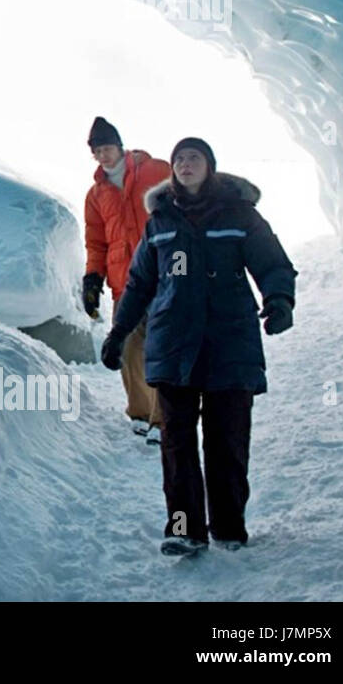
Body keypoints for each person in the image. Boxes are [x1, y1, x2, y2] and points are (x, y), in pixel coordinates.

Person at [100, 138, 296, 556]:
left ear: (210, 166)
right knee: (177, 443)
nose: (185, 165)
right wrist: (119, 333)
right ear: (172, 170)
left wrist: (279, 300)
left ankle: (228, 527)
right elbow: (139, 284)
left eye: (194, 158)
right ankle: (185, 529)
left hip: (230, 341)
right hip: (173, 343)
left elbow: (272, 262)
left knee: (227, 440)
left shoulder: (239, 214)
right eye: (179, 159)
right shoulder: (161, 221)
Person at [81, 117, 171, 442]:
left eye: (106, 148)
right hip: (124, 281)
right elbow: (96, 242)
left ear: (119, 145)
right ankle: (140, 413)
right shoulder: (96, 195)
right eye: (97, 152)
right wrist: (93, 278)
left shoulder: (157, 170)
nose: (103, 156)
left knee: (162, 343)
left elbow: (189, 199)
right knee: (130, 346)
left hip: (164, 274)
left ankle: (164, 418)